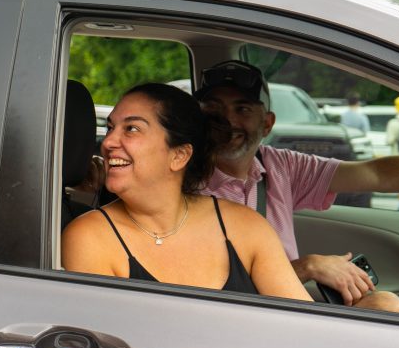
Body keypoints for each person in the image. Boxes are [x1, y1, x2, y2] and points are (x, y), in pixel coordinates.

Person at [195, 60, 399, 310]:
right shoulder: (182, 181)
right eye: (214, 109)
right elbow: (207, 284)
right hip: (240, 316)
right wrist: (309, 266)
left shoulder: (278, 165)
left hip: (291, 306)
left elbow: (378, 174)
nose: (228, 121)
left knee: (386, 306)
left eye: (242, 109)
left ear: (267, 123)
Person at [62, 83, 312, 301]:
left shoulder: (245, 227)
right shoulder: (89, 237)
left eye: (132, 129)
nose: (107, 142)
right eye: (110, 128)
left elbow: (305, 327)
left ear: (179, 155)